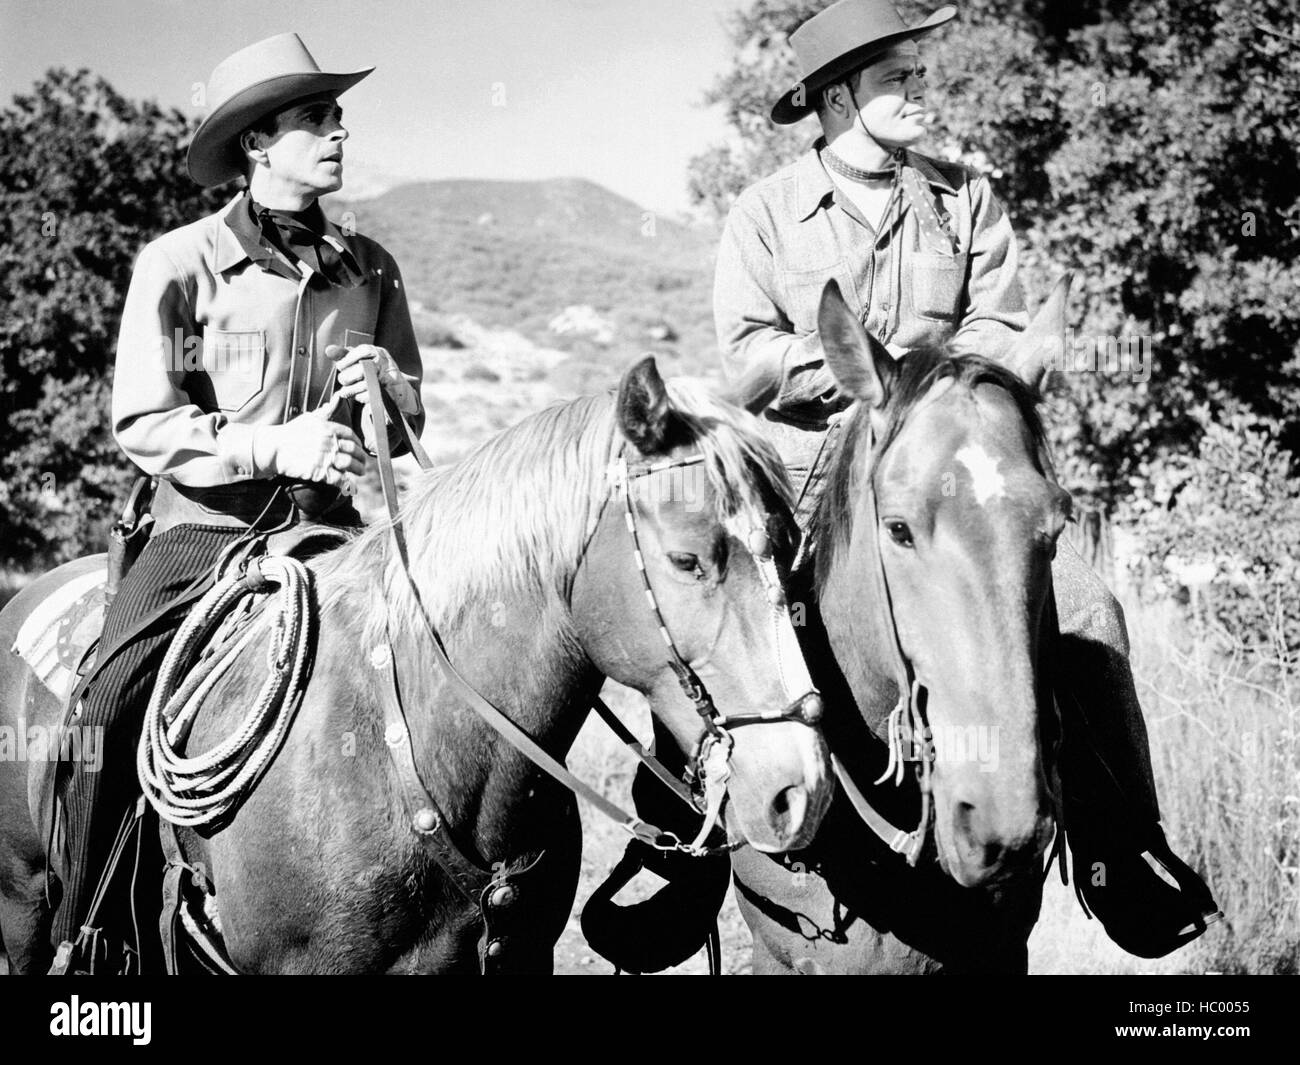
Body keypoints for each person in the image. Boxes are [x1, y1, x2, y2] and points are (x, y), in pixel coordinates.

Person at [713, 0, 1220, 958]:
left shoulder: (964, 200)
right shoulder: (767, 213)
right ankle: (680, 845)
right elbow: (746, 358)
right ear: (836, 99)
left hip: (944, 463)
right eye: (895, 77)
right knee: (711, 603)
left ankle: (1124, 842)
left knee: (1080, 599)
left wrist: (933, 382)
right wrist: (871, 372)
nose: (919, 90)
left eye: (916, 72)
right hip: (810, 467)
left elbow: (1001, 328)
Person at [50, 32, 424, 969]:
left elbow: (412, 412)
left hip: (333, 528)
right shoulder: (179, 264)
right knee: (102, 706)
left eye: (337, 116)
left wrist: (387, 389)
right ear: (258, 144)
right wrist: (271, 442)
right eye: (314, 119)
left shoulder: (370, 267)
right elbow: (142, 420)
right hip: (202, 527)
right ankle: (92, 939)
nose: (337, 133)